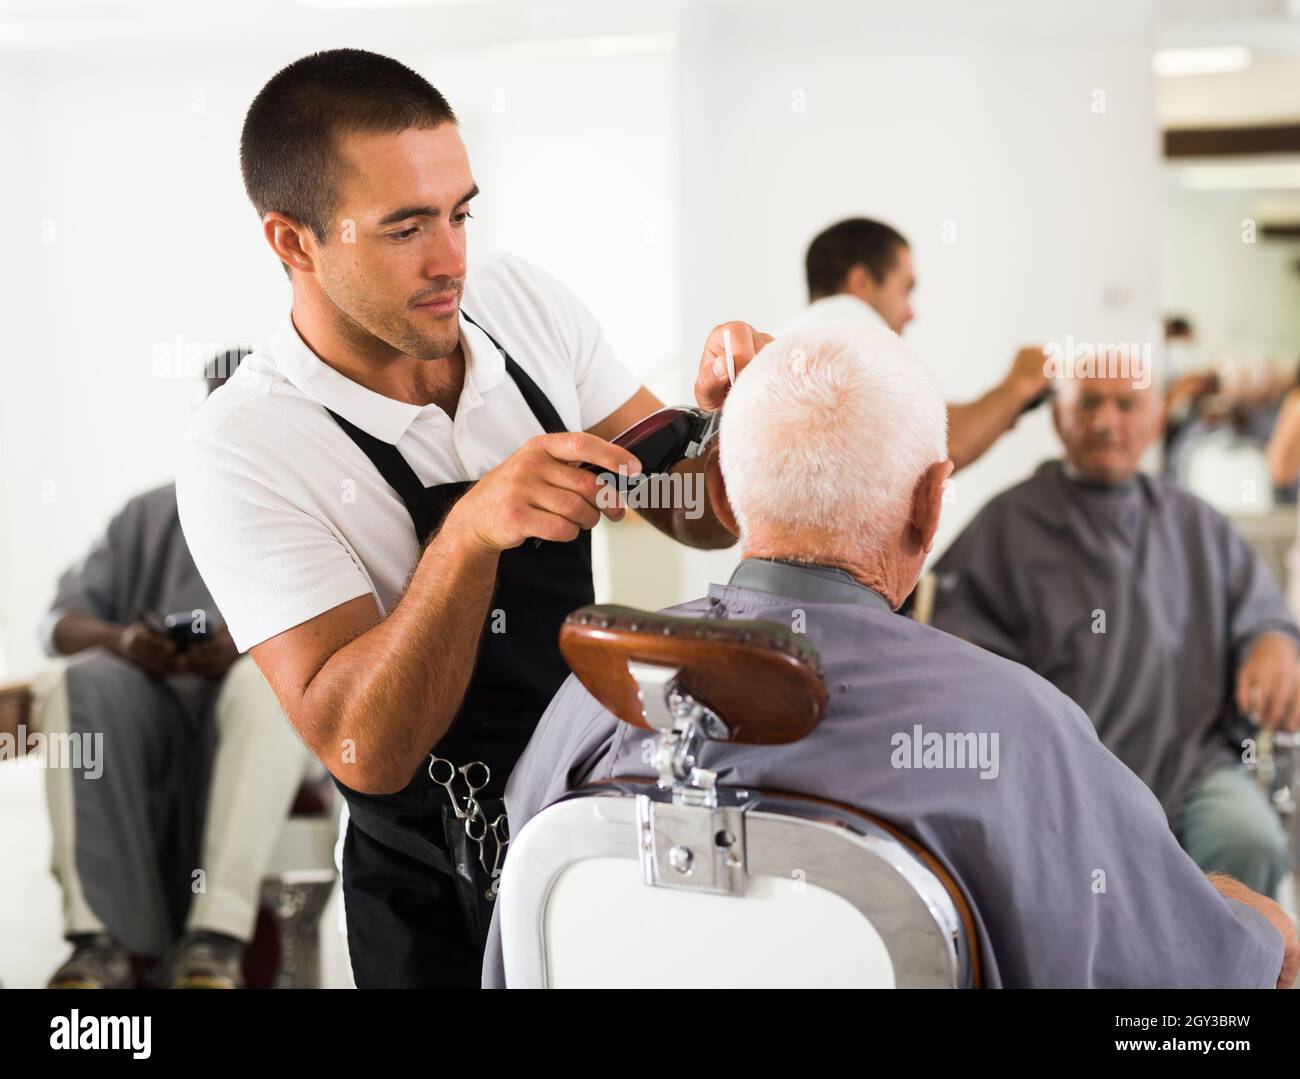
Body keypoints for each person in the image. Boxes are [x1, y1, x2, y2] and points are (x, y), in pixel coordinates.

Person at [175, 48, 762, 989]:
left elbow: (699, 515)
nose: (452, 260)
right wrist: (471, 534)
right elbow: (365, 748)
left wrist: (741, 415)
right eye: (406, 228)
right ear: (293, 242)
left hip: (589, 818)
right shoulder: (242, 448)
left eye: (460, 213)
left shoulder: (522, 304)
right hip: (427, 892)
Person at [483, 319, 1297, 989]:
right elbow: (1186, 968)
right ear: (930, 500)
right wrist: (1246, 923)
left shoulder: (595, 699)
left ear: (724, 493)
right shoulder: (1015, 730)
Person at [931, 363, 1300, 898]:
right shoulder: (1008, 522)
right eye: (1089, 404)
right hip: (1065, 776)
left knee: (1250, 840)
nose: (1107, 421)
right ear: (1059, 418)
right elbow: (951, 634)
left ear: (1155, 421)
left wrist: (1274, 642)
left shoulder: (1196, 523)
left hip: (1191, 762)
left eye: (1126, 405)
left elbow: (1262, 609)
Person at [33, 350, 312, 989]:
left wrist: (249, 643)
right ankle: (96, 942)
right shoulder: (146, 514)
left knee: (264, 679)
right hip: (153, 711)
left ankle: (215, 939)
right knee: (77, 681)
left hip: (270, 713)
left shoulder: (312, 505)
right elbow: (56, 624)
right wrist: (125, 640)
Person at [783, 217, 1051, 470]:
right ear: (861, 281)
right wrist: (1020, 383)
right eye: (905, 289)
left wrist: (1006, 406)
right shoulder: (849, 321)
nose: (911, 313)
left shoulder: (797, 340)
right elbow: (930, 447)